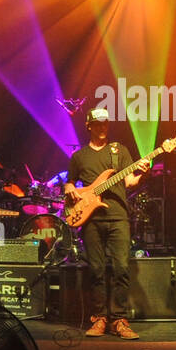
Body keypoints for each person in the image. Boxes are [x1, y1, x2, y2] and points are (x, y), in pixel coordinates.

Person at [64, 108, 151, 338]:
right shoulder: (79, 156)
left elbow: (130, 181)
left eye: (105, 123)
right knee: (96, 269)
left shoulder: (119, 151)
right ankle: (99, 318)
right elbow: (69, 183)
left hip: (118, 216)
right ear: (89, 126)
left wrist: (143, 172)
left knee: (121, 267)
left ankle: (120, 319)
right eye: (98, 124)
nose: (103, 127)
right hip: (91, 218)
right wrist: (71, 188)